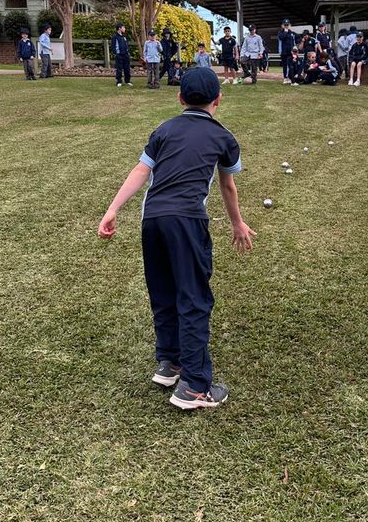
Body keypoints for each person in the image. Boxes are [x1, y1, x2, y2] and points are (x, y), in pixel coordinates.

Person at [98, 66, 255, 410]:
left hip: (152, 219)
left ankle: (170, 362)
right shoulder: (224, 137)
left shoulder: (164, 129)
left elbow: (141, 170)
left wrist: (112, 209)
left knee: (164, 292)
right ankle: (195, 387)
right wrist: (237, 223)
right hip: (186, 222)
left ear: (179, 98)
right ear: (219, 100)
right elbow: (228, 185)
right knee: (194, 298)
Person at [112, 22, 132, 87]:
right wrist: (116, 53)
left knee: (127, 68)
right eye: (123, 27)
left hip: (126, 55)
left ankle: (127, 81)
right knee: (119, 68)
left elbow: (126, 45)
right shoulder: (115, 37)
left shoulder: (124, 36)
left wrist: (128, 52)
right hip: (119, 55)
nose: (124, 29)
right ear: (119, 28)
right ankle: (119, 81)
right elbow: (113, 46)